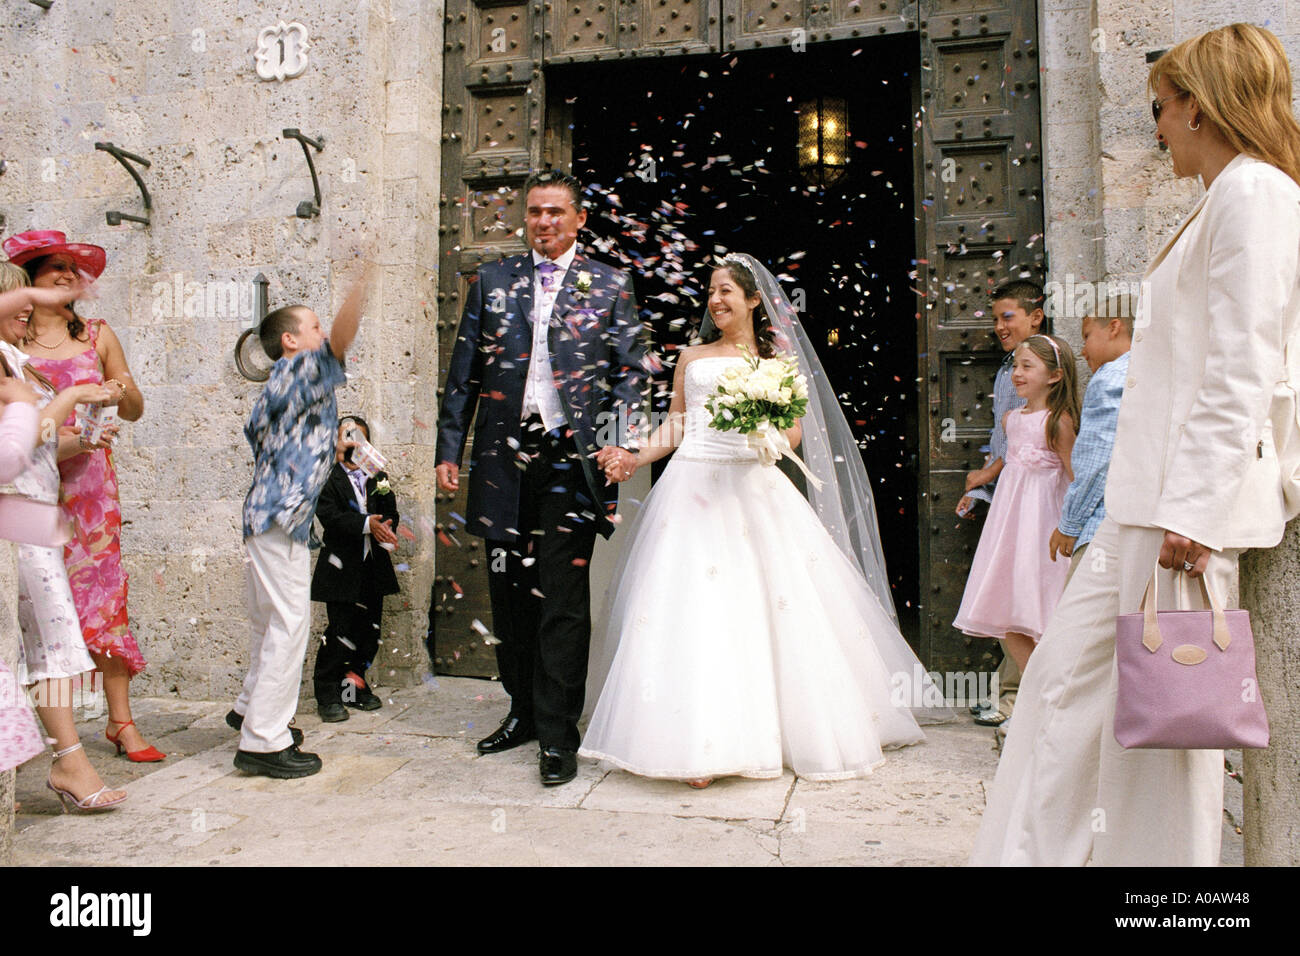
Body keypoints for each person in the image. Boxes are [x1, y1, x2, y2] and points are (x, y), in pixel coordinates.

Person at [972, 22, 1300, 866]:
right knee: (1062, 686)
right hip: (1143, 501)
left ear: (1198, 105)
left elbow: (1245, 365)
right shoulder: (1223, 196)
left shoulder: (1256, 194)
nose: (1153, 127)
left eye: (1158, 106)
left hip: (1185, 511)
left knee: (1169, 730)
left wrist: (1195, 508)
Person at [579, 254, 949, 786]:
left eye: (728, 291)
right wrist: (636, 456)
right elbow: (679, 423)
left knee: (767, 608)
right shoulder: (691, 355)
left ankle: (774, 732)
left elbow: (795, 431)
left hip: (752, 488)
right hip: (691, 489)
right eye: (711, 291)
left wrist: (768, 433)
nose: (717, 300)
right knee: (690, 609)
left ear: (754, 300)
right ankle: (693, 744)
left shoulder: (776, 362)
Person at [435, 170, 651, 786]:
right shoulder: (494, 281)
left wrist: (618, 443)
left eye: (556, 212)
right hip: (505, 459)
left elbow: (632, 373)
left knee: (561, 594)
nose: (544, 222)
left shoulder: (611, 284)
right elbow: (465, 371)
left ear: (580, 218)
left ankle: (559, 734)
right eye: (534, 212)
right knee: (507, 590)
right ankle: (523, 711)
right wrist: (451, 446)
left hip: (570, 460)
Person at [3, 230, 158, 762]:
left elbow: (135, 407)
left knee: (105, 600)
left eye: (74, 269)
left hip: (90, 491)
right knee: (42, 613)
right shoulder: (10, 344)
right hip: (31, 484)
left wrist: (122, 391)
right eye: (56, 269)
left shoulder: (97, 334)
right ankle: (51, 742)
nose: (69, 277)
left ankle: (121, 723)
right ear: (32, 280)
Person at [230, 275, 369, 779]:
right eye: (310, 325)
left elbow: (282, 444)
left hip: (264, 516)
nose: (319, 332)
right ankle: (265, 741)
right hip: (282, 518)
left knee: (269, 621)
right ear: (290, 339)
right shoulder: (300, 367)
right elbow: (341, 337)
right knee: (290, 624)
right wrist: (361, 285)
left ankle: (250, 709)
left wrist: (327, 449)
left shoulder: (281, 386)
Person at [0, 262, 125, 810]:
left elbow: (40, 445)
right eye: (12, 298)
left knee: (53, 642)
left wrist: (88, 439)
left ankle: (65, 760)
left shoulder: (19, 366)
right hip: (14, 518)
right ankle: (68, 762)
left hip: (32, 515)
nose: (24, 307)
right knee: (44, 643)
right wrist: (73, 398)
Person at [954, 335, 1079, 673]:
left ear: (1054, 375)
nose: (1018, 374)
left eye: (1028, 367)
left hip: (1043, 523)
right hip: (1010, 523)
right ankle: (1034, 682)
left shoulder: (1059, 421)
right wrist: (985, 475)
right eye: (1016, 367)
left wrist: (1073, 527)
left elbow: (1074, 476)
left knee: (1041, 602)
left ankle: (1052, 682)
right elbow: (1008, 459)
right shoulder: (1012, 418)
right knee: (1007, 603)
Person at [957, 282, 1043, 727]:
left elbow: (1029, 439)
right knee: (1010, 591)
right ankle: (1010, 694)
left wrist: (984, 478)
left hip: (1034, 496)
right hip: (1011, 490)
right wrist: (984, 488)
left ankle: (1015, 698)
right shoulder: (1008, 368)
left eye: (1007, 317)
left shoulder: (1041, 366)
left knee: (1024, 593)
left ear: (1036, 317)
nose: (999, 327)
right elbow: (1003, 435)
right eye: (995, 319)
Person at [310, 415, 400, 722]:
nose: (352, 445)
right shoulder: (326, 477)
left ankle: (354, 687)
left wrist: (387, 524)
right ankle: (327, 692)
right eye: (346, 438)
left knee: (368, 631)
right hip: (341, 570)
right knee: (340, 631)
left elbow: (390, 510)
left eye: (358, 439)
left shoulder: (378, 476)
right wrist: (366, 524)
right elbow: (330, 516)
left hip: (372, 569)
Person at [1048, 298, 1134, 582]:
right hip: (1142, 527)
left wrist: (1070, 524)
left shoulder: (1109, 378)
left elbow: (1097, 460)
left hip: (1103, 529)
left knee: (1072, 623)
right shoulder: (1153, 372)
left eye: (1087, 336)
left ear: (1114, 327)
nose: (1083, 350)